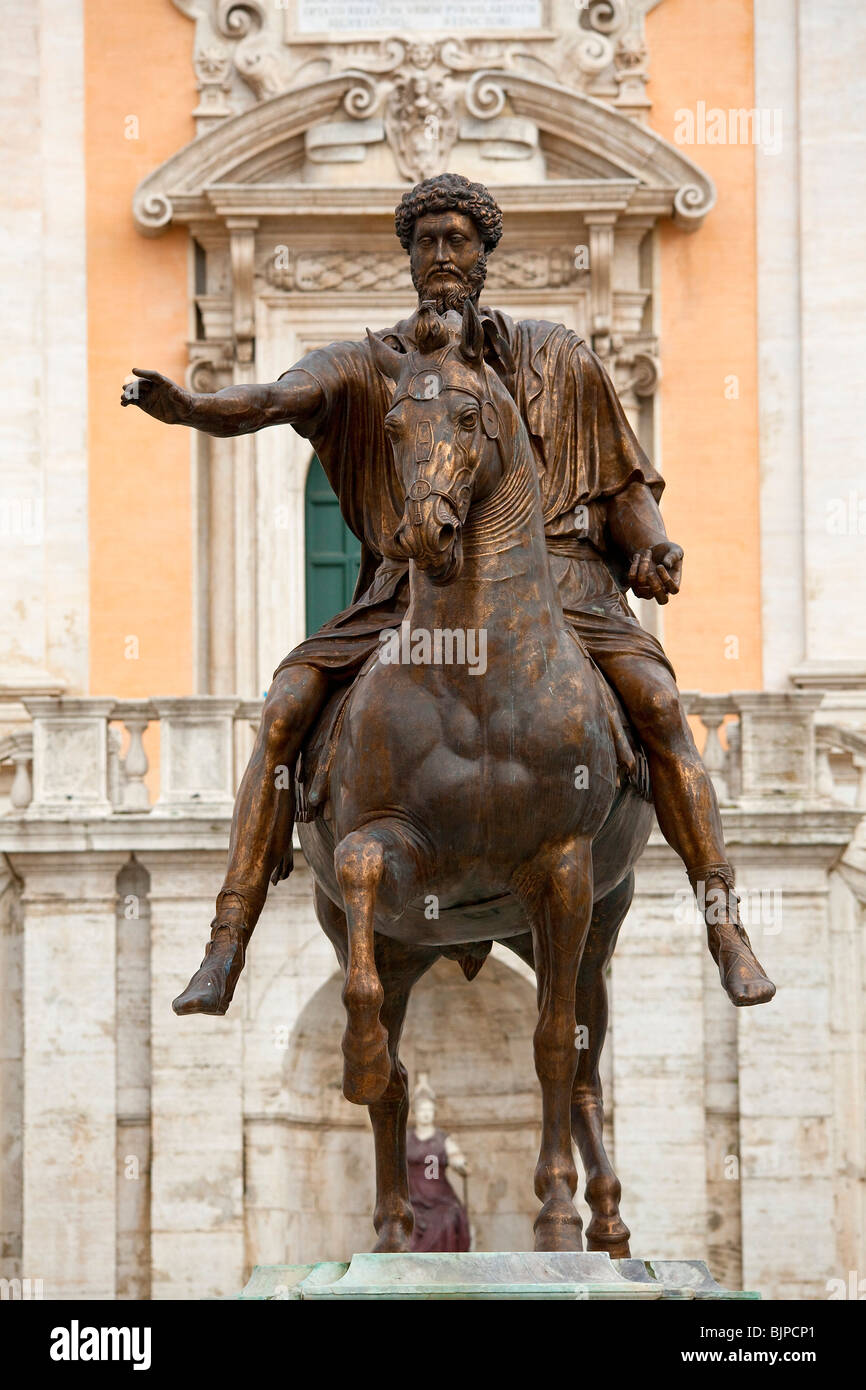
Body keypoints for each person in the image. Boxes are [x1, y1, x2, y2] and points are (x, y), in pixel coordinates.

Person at [121, 172, 775, 1017]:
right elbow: (278, 397)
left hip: (563, 588)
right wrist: (195, 407)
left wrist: (650, 547)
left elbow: (622, 484)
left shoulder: (559, 356)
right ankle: (227, 940)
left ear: (483, 254)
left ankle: (723, 920)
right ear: (409, 257)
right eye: (425, 241)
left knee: (657, 702)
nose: (440, 255)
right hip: (409, 593)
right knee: (285, 705)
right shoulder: (370, 364)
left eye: (456, 240)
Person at [407, 1075, 470, 1253]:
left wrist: (460, 1165)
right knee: (404, 1223)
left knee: (448, 1218)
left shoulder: (442, 1139)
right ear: (415, 1112)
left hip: (440, 1198)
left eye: (429, 1110)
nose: (426, 1114)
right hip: (412, 1197)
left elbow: (457, 1157)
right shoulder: (405, 1138)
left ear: (434, 1112)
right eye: (421, 1110)